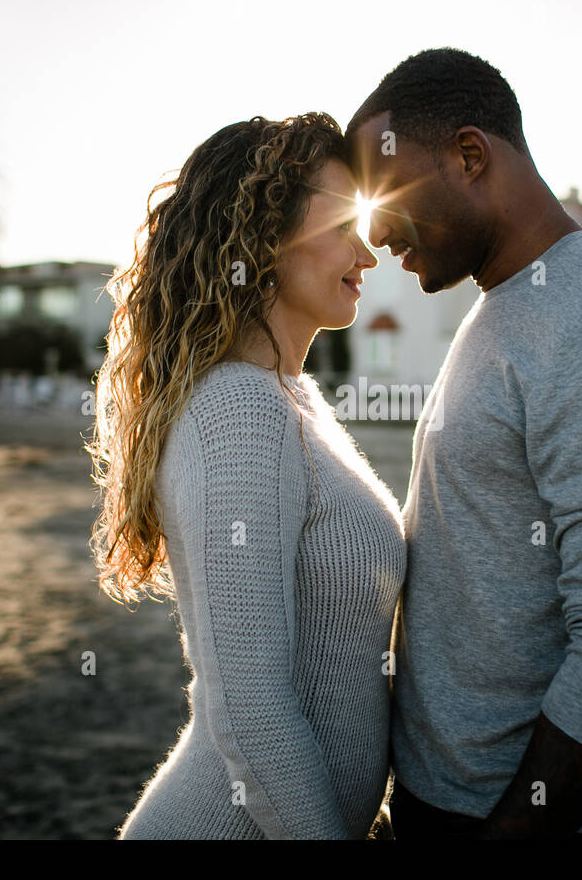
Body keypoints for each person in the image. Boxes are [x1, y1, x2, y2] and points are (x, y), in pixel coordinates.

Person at [345, 48, 582, 839]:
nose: (373, 230)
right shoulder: (503, 305)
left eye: (385, 191)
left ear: (469, 155)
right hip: (453, 799)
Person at [89, 112, 405, 839]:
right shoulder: (239, 411)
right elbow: (249, 711)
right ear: (265, 239)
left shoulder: (292, 396)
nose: (368, 255)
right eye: (343, 228)